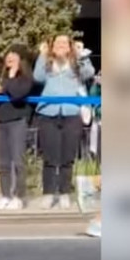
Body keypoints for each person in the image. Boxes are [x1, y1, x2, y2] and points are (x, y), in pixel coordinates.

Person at [33, 34, 95, 210]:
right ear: (52, 47)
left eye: (64, 43)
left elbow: (88, 73)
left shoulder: (75, 64)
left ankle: (65, 192)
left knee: (67, 156)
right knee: (50, 156)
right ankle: (49, 193)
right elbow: (38, 77)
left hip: (70, 113)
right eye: (57, 43)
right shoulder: (47, 63)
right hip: (48, 112)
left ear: (69, 47)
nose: (60, 45)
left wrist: (82, 55)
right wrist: (42, 55)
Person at [0, 45, 34, 210]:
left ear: (20, 59)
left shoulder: (25, 78)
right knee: (3, 162)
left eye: (13, 55)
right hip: (2, 122)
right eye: (8, 55)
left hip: (18, 121)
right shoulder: (3, 78)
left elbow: (17, 95)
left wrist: (11, 79)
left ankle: (19, 196)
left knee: (17, 160)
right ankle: (5, 195)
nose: (9, 58)